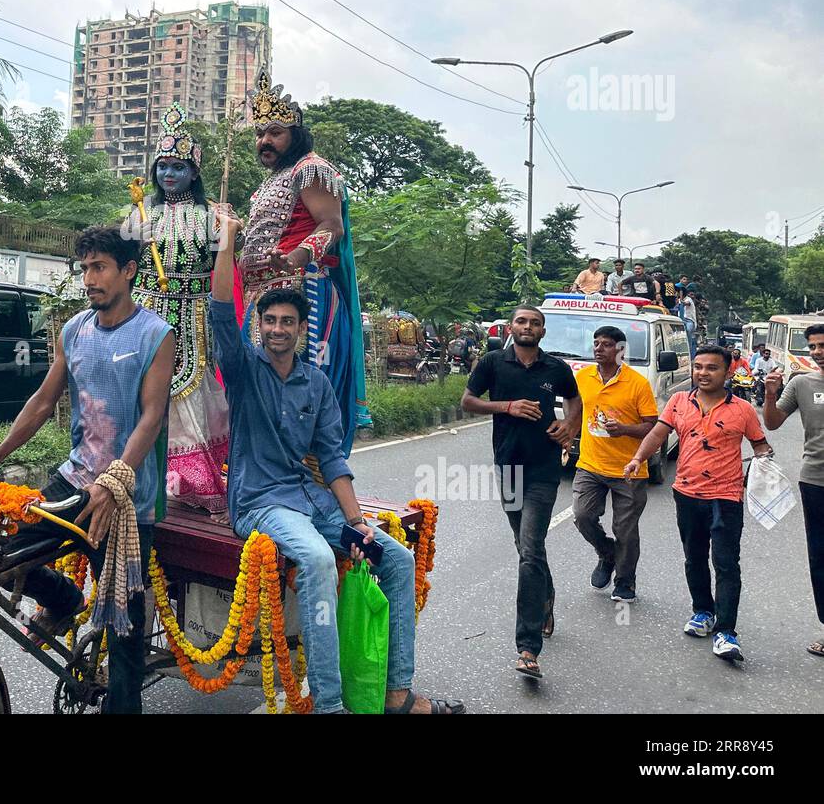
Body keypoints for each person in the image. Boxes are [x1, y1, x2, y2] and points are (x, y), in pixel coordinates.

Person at [210, 205, 463, 714]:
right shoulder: (242, 368)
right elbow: (219, 309)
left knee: (396, 558)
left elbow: (331, 459)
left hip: (315, 503)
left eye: (288, 321)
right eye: (270, 321)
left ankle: (395, 693)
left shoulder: (317, 383)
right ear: (258, 327)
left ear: (302, 329)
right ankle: (329, 705)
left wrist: (357, 522)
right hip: (261, 502)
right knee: (321, 559)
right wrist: (227, 241)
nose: (278, 329)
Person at [0, 225, 175, 714]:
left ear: (127, 271)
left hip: (126, 498)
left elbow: (152, 416)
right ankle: (64, 600)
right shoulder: (74, 330)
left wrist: (116, 479)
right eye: (84, 268)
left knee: (124, 625)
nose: (89, 278)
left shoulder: (155, 335)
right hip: (75, 477)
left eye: (99, 267)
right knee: (3, 555)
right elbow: (43, 402)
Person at [238, 68, 370, 455]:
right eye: (260, 133)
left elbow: (332, 226)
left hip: (304, 290)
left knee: (303, 387)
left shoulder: (310, 168)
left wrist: (296, 257)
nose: (265, 140)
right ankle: (268, 472)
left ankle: (313, 474)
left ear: (295, 134)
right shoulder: (274, 178)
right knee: (261, 385)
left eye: (275, 132)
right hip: (264, 295)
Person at [625, 346, 772, 662]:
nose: (703, 373)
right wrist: (638, 458)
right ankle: (702, 612)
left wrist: (761, 465)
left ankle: (726, 632)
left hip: (727, 496)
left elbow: (760, 445)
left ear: (728, 372)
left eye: (712, 368)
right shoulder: (678, 402)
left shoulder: (743, 410)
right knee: (694, 558)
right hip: (687, 494)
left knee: (726, 563)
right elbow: (658, 433)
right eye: (698, 367)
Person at [462, 305, 581, 680]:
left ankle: (527, 648)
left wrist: (570, 427)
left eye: (535, 323)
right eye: (521, 322)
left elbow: (575, 399)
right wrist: (507, 406)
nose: (528, 327)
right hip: (509, 468)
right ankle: (545, 597)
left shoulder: (556, 368)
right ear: (511, 328)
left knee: (530, 549)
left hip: (544, 470)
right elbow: (467, 401)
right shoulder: (493, 362)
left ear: (543, 331)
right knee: (523, 545)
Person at [125, 105, 230, 518]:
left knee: (190, 392)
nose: (169, 174)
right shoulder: (139, 214)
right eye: (162, 166)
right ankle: (139, 476)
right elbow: (125, 267)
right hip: (147, 312)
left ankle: (194, 481)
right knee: (142, 393)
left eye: (178, 167)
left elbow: (224, 269)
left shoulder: (211, 219)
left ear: (194, 173)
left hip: (191, 315)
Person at [571, 325, 659, 603]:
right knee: (583, 516)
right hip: (590, 464)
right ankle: (606, 553)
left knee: (625, 529)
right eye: (596, 343)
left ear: (620, 350)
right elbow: (574, 408)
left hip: (628, 469)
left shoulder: (637, 383)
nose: (598, 348)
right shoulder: (583, 377)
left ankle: (625, 581)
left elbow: (653, 427)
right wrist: (566, 435)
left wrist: (624, 429)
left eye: (606, 344)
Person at [762, 324, 824, 659]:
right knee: (820, 557)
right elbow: (772, 423)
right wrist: (771, 393)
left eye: (822, 346)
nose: (816, 352)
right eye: (812, 347)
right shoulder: (802, 384)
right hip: (816, 480)